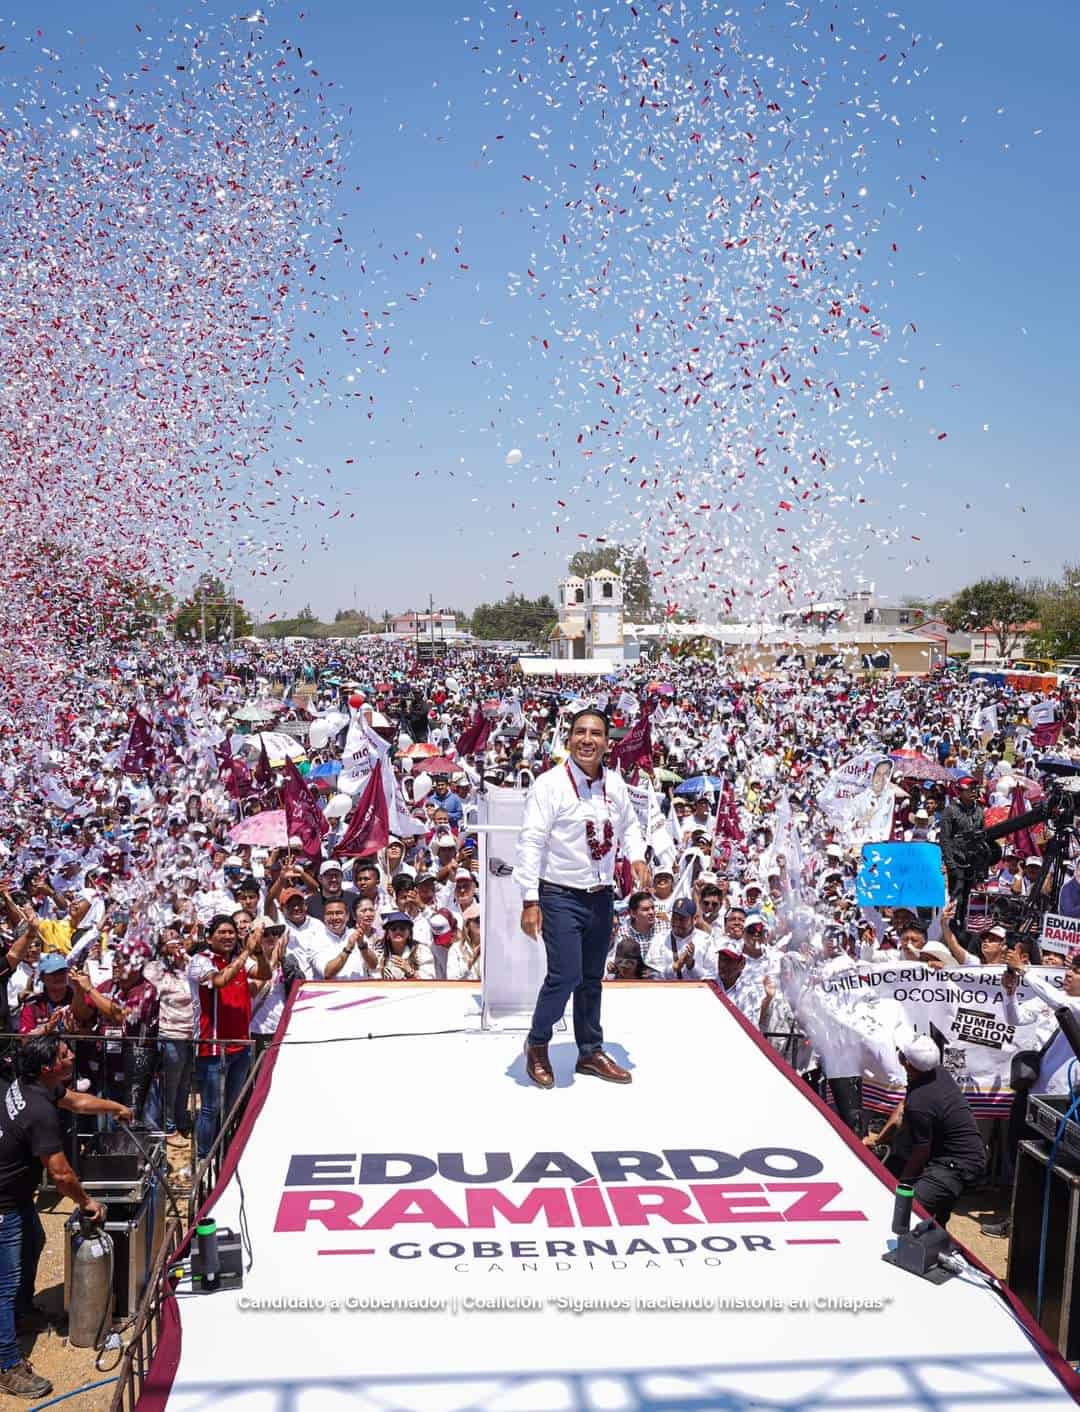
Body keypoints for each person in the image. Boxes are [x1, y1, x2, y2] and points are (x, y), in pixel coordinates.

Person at [516, 708, 649, 1088]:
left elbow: (629, 825)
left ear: (608, 742)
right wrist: (529, 900)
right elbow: (531, 842)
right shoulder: (550, 784)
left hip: (601, 895)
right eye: (580, 732)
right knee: (565, 974)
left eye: (595, 733)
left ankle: (589, 1050)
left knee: (592, 978)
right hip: (560, 893)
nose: (587, 740)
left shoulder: (615, 784)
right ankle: (537, 1043)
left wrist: (636, 854)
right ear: (568, 739)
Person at [0, 1036, 132, 1399]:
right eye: (64, 1054)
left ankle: (22, 1313)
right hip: (2, 1202)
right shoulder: (38, 1110)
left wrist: (114, 1106)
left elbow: (76, 1101)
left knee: (35, 1240)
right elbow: (60, 1174)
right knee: (5, 1283)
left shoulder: (32, 1084)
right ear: (48, 1067)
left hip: (14, 1194)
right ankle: (7, 1364)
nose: (72, 1054)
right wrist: (87, 1202)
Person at [870, 1033, 986, 1227]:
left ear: (905, 1062)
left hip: (955, 1165)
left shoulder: (921, 1101)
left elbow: (920, 1152)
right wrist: (878, 1140)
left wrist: (903, 1187)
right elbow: (901, 1112)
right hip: (956, 1156)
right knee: (934, 1221)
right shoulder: (936, 1073)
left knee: (907, 1213)